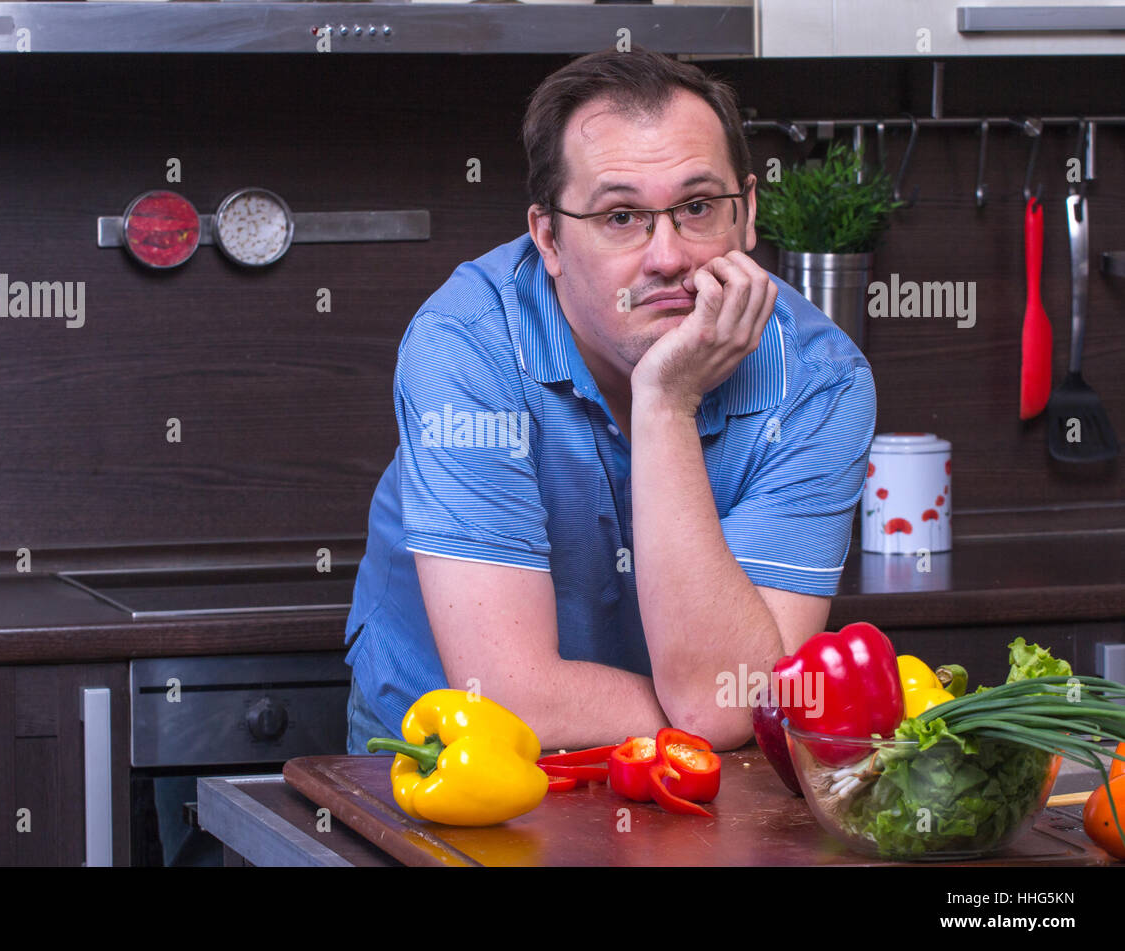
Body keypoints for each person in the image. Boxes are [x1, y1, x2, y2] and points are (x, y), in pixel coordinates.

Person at [343, 47, 876, 754]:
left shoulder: (819, 381)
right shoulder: (465, 344)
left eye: (697, 206)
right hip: (444, 756)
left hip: (687, 769)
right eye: (620, 216)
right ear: (549, 238)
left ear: (746, 216)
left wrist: (664, 402)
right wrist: (711, 708)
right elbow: (512, 700)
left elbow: (730, 704)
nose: (667, 257)